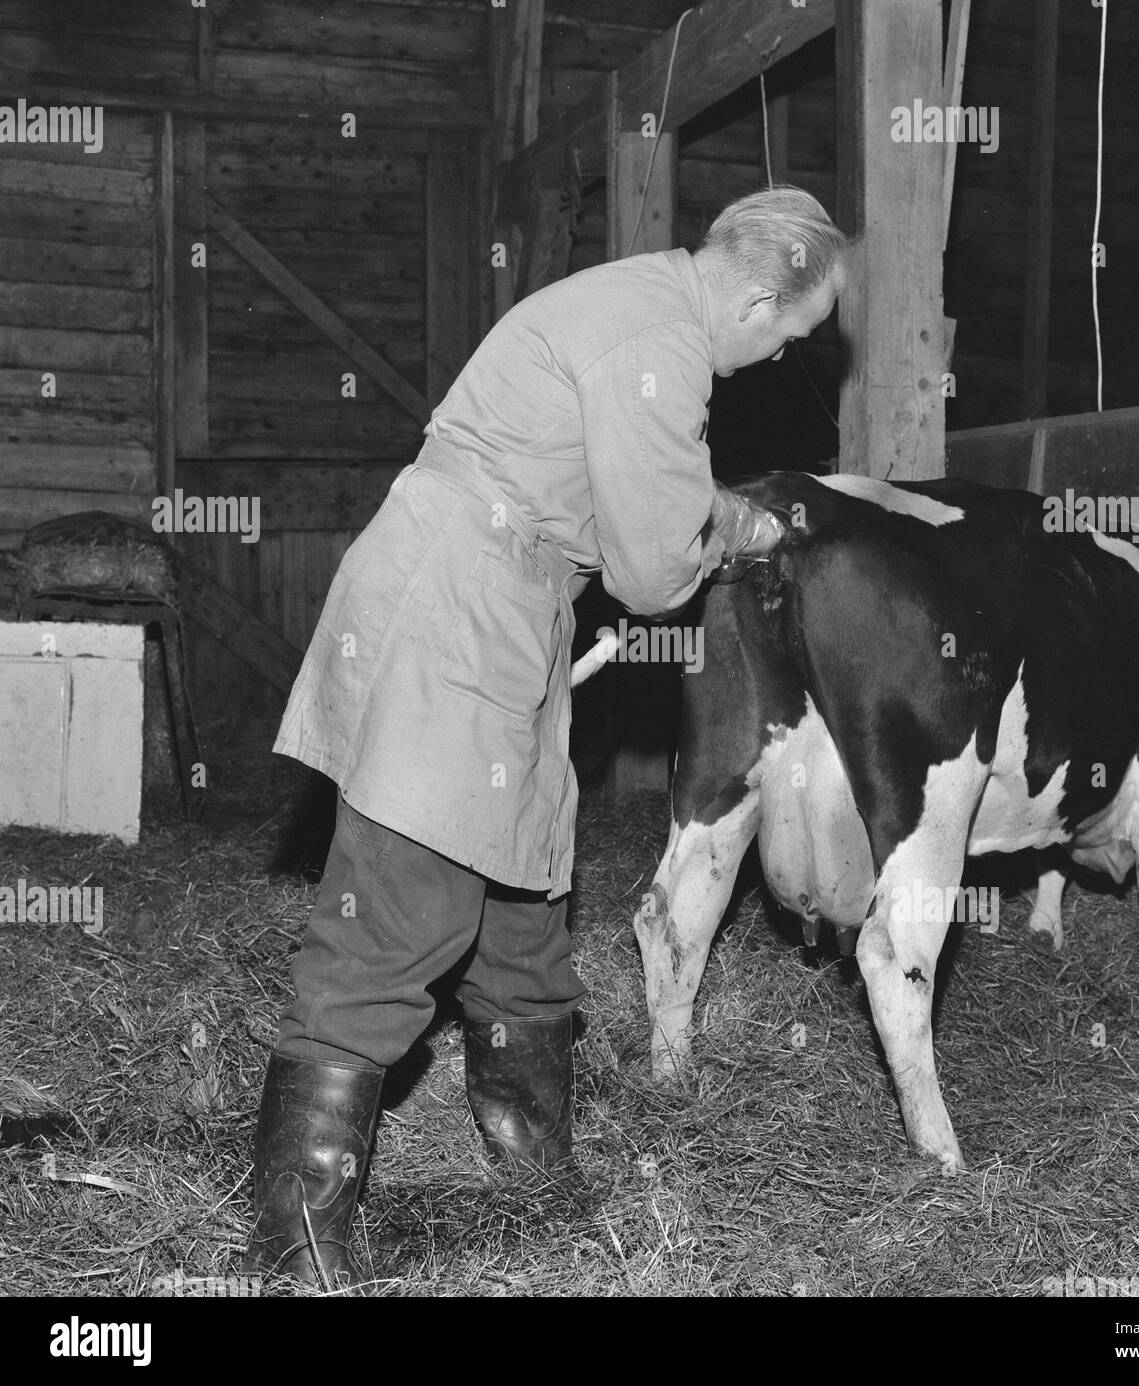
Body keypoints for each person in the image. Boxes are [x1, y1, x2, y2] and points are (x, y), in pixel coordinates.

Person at [242, 185, 847, 1288]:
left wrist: (701, 511)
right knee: (400, 906)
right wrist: (735, 522)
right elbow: (655, 573)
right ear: (760, 297)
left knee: (523, 896)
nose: (774, 359)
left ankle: (535, 1176)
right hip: (460, 600)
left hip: (508, 598)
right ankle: (298, 1242)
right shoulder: (655, 340)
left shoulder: (646, 308)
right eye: (788, 337)